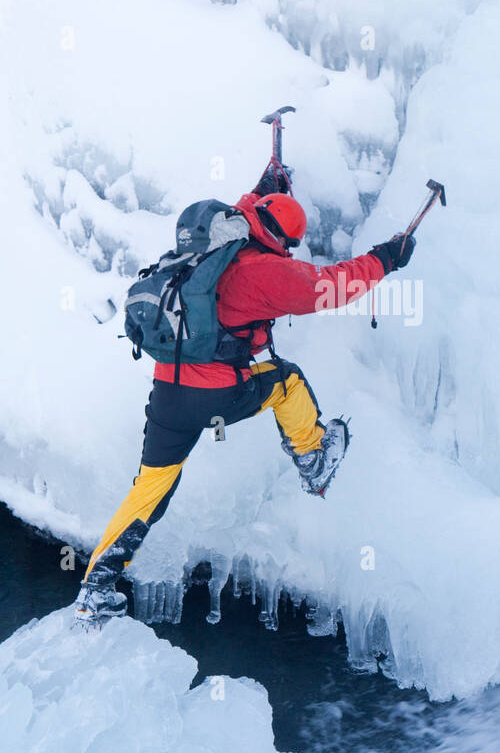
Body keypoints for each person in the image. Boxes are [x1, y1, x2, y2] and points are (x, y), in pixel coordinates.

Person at [74, 160, 415, 623]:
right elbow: (332, 287)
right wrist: (386, 259)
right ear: (283, 241)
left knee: (150, 488)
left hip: (168, 392)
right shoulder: (267, 273)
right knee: (285, 381)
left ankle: (96, 589)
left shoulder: (218, 237)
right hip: (215, 396)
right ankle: (313, 457)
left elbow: (247, 206)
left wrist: (266, 185)